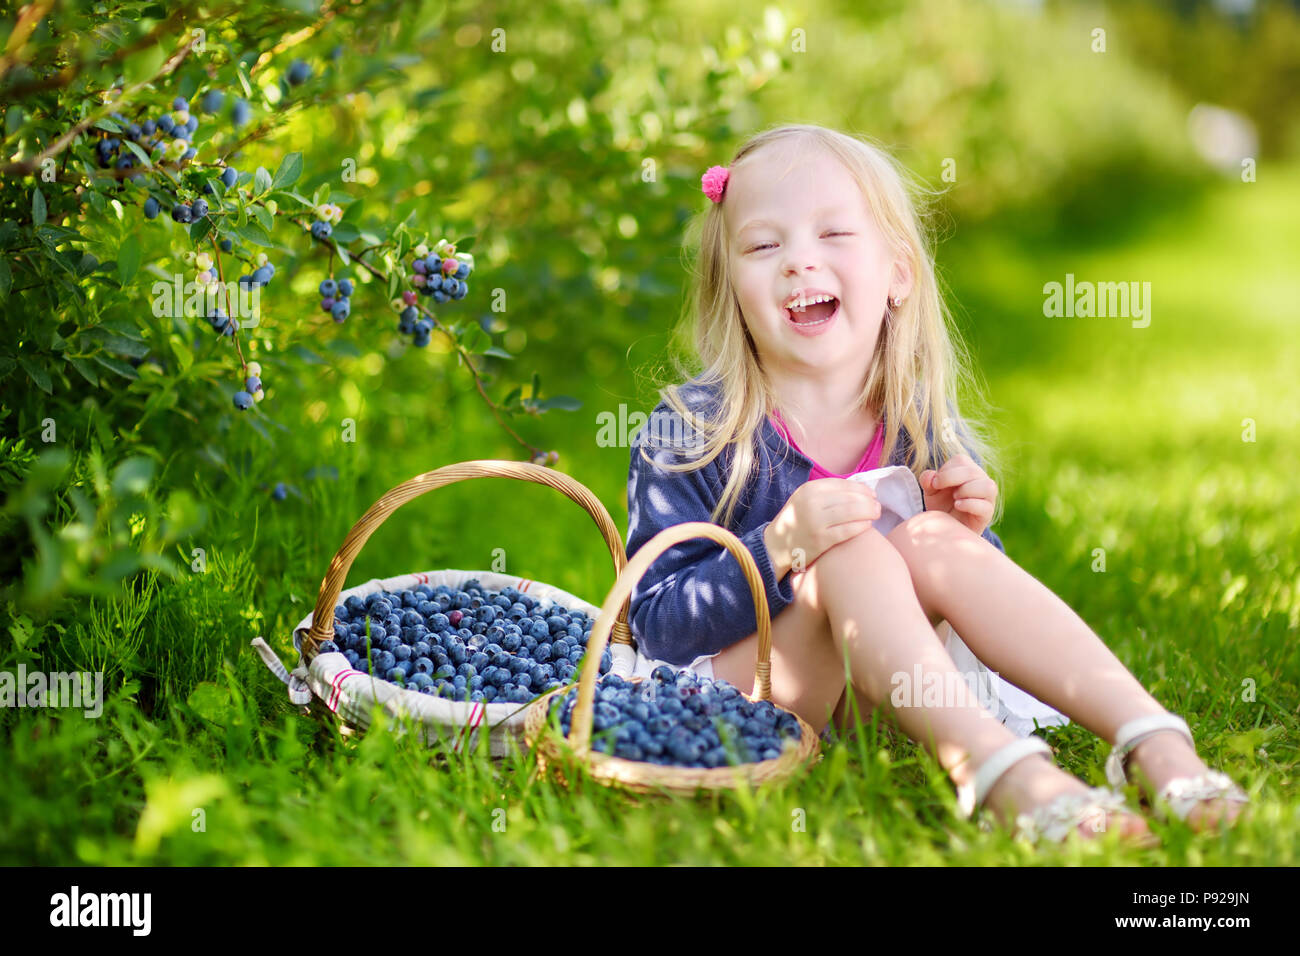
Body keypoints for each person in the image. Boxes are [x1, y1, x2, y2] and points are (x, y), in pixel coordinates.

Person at [624, 124, 1248, 844]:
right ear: (730, 284)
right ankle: (1004, 775)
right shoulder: (690, 433)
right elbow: (657, 626)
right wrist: (777, 549)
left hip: (880, 690)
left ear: (897, 275)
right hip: (737, 698)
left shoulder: (911, 420)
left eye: (833, 234)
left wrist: (972, 539)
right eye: (765, 246)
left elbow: (969, 614)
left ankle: (1153, 741)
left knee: (931, 538)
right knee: (851, 552)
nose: (799, 261)